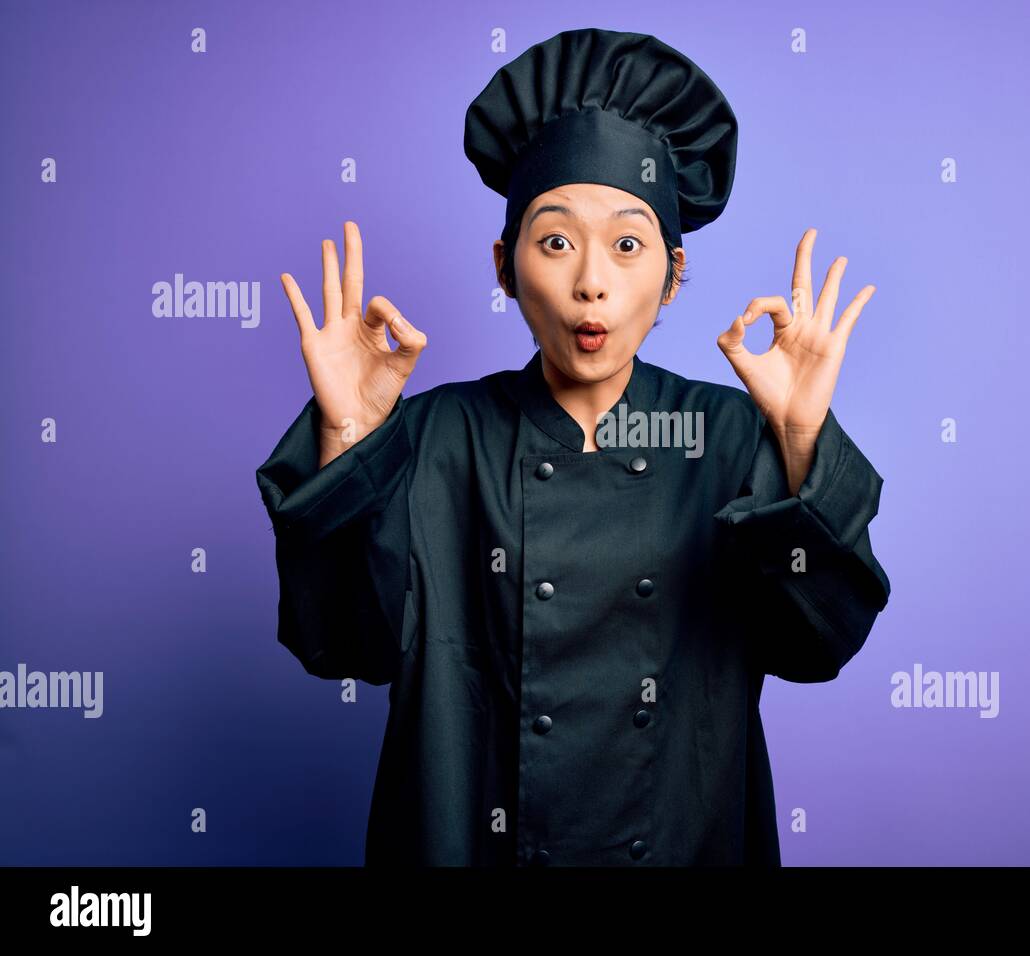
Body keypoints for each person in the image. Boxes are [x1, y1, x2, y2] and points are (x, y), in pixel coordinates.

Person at [255, 27, 890, 866]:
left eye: (629, 245)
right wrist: (347, 437)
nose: (591, 280)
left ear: (670, 275)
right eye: (555, 241)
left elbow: (818, 646)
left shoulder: (730, 436)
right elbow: (341, 645)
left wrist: (802, 440)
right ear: (505, 266)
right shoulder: (436, 437)